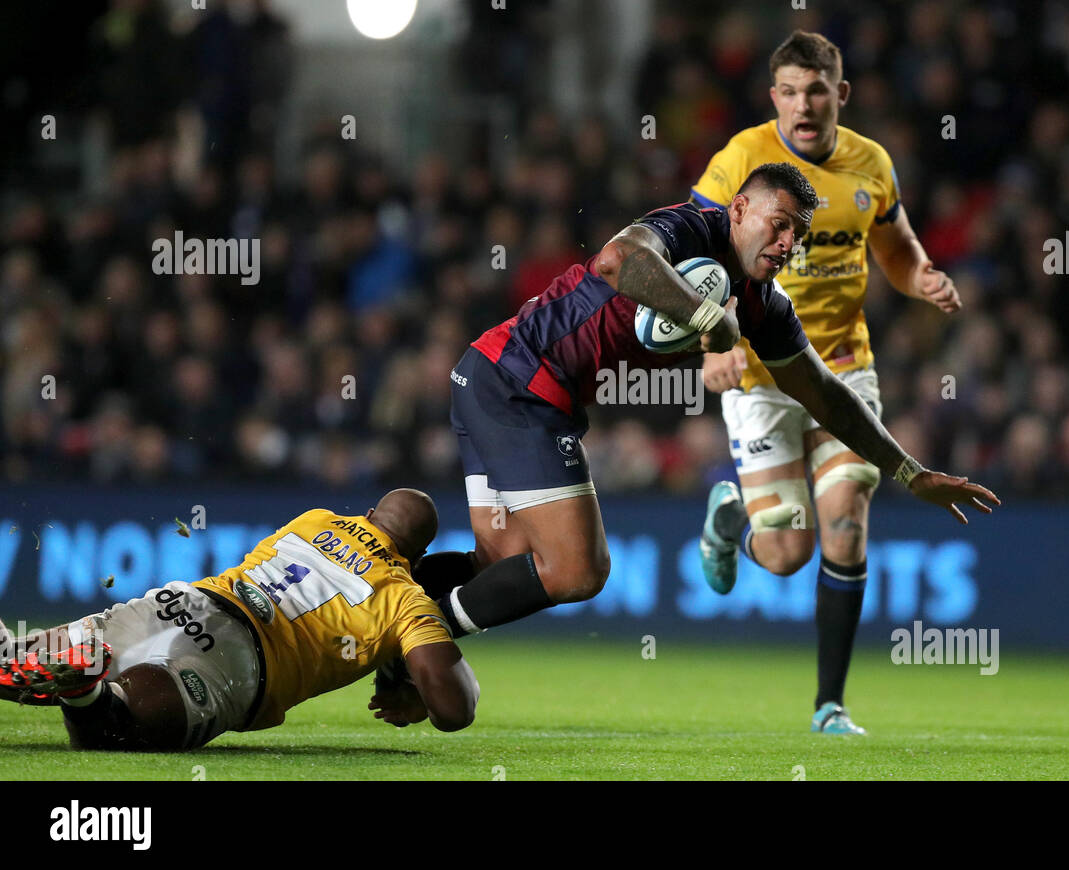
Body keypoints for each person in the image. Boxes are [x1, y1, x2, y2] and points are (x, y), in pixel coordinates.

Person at [414, 161, 998, 645]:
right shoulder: (689, 228)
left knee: (500, 568)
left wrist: (910, 472)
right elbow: (618, 262)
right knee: (575, 570)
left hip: (502, 381)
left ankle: (384, 599)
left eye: (798, 234)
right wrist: (705, 317)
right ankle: (410, 639)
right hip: (516, 381)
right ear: (739, 209)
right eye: (779, 224)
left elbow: (825, 394)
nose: (788, 243)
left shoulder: (764, 305)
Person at [690, 31, 962, 735]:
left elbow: (897, 252)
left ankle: (829, 707)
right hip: (757, 372)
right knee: (786, 554)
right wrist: (711, 338)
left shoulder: (870, 163)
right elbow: (696, 255)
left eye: (818, 91)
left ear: (840, 94)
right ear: (773, 96)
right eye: (790, 90)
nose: (804, 105)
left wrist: (921, 277)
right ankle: (730, 518)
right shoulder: (742, 160)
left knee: (846, 518)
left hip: (842, 365)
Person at [0, 489, 477, 750]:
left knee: (12, 665)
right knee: (116, 728)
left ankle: (64, 662)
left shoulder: (315, 519)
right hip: (236, 660)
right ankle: (87, 690)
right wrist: (419, 699)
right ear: (417, 556)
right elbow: (455, 710)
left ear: (370, 513)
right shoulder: (404, 597)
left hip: (181, 603)